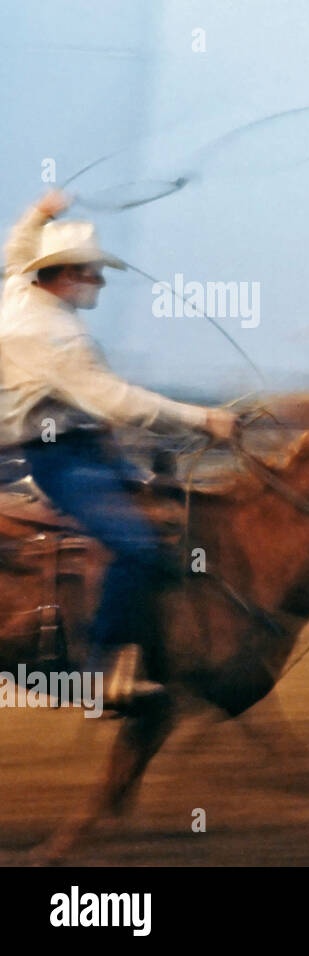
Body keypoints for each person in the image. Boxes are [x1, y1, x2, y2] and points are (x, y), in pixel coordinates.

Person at [0, 190, 238, 710]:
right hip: (63, 458)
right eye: (92, 273)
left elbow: (17, 252)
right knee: (137, 543)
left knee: (175, 509)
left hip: (81, 449)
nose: (100, 282)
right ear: (65, 275)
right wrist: (205, 419)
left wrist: (40, 212)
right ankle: (100, 668)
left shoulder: (18, 290)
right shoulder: (55, 336)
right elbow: (117, 401)